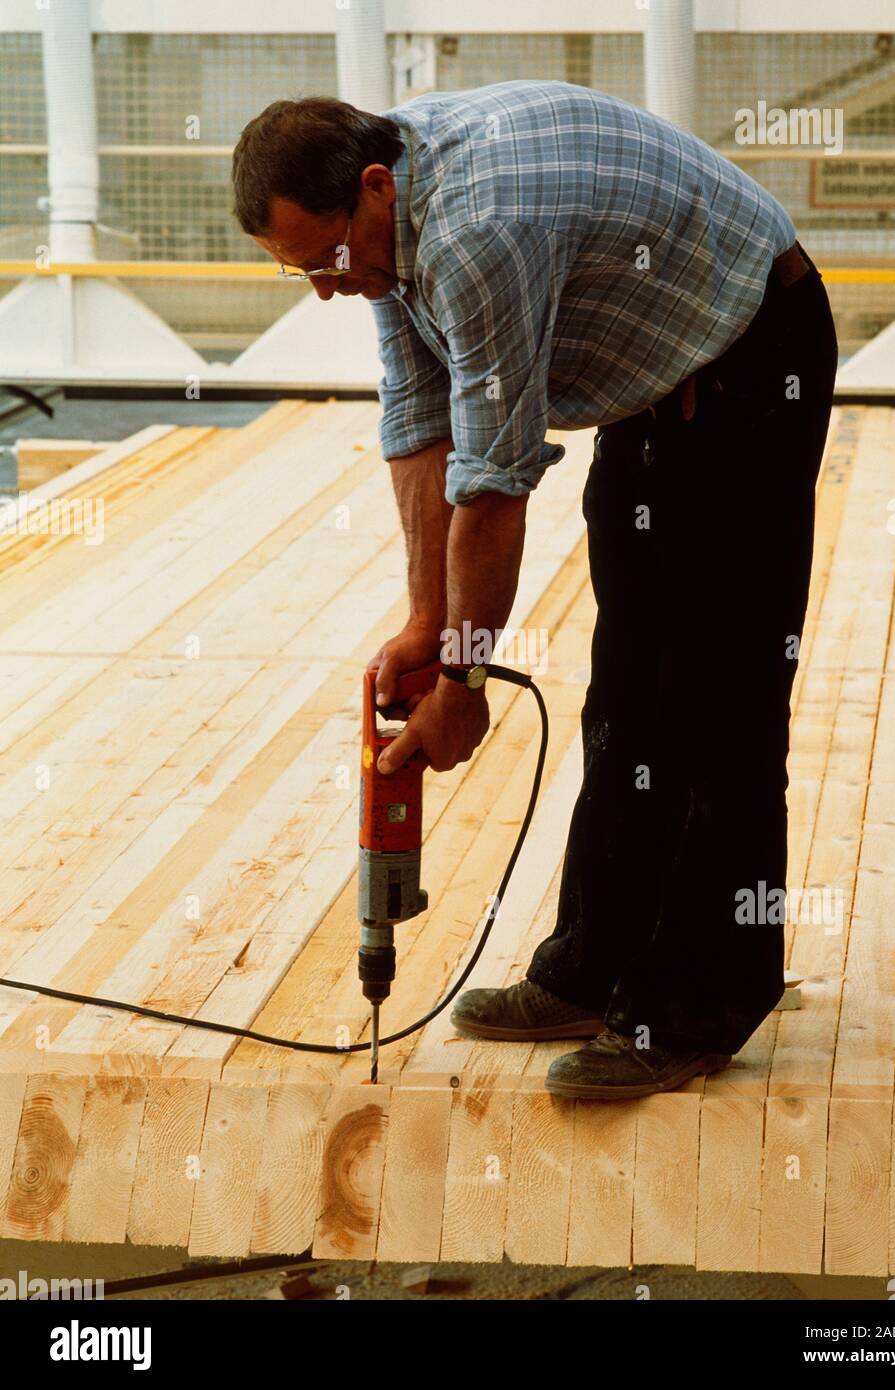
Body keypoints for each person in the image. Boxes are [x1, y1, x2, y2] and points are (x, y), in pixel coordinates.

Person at [232, 79, 838, 1100]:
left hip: (750, 355)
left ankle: (697, 1008)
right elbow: (420, 418)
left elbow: (493, 483)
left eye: (325, 261)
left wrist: (463, 683)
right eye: (299, 272)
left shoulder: (474, 232)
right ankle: (596, 970)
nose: (324, 290)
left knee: (718, 697)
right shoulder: (386, 233)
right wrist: (430, 624)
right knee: (629, 687)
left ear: (375, 186)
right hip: (658, 373)